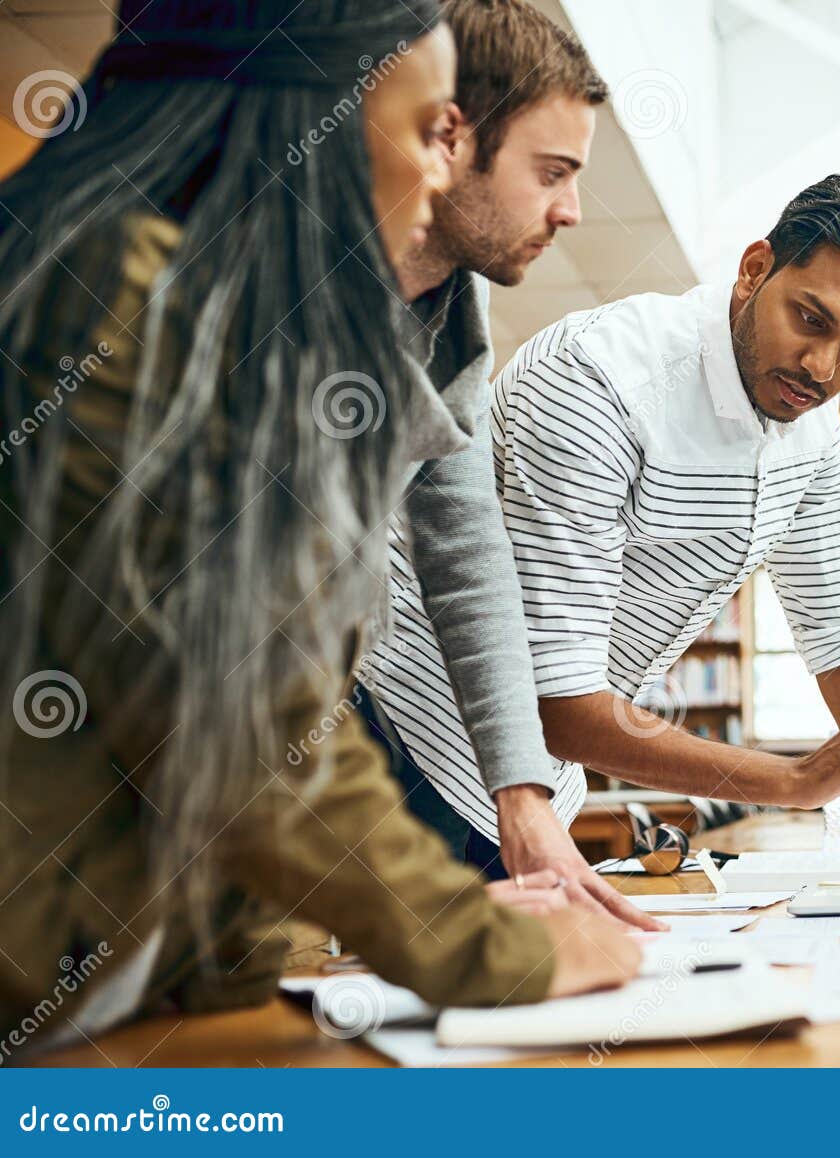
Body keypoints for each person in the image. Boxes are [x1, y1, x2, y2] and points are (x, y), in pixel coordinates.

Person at [0, 0, 634, 1053]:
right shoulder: (118, 298)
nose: (440, 175)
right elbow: (242, 705)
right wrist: (490, 946)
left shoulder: (248, 313)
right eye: (432, 130)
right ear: (317, 115)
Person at [375, 175, 840, 881]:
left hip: (536, 789)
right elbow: (559, 705)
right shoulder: (599, 379)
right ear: (753, 271)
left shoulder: (811, 427)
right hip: (408, 757)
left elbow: (838, 636)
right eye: (810, 319)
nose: (822, 368)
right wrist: (795, 781)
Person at [354, 0, 660, 931]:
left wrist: (523, 796)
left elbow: (466, 547)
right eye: (552, 172)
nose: (570, 208)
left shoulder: (454, 303)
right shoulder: (290, 298)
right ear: (449, 139)